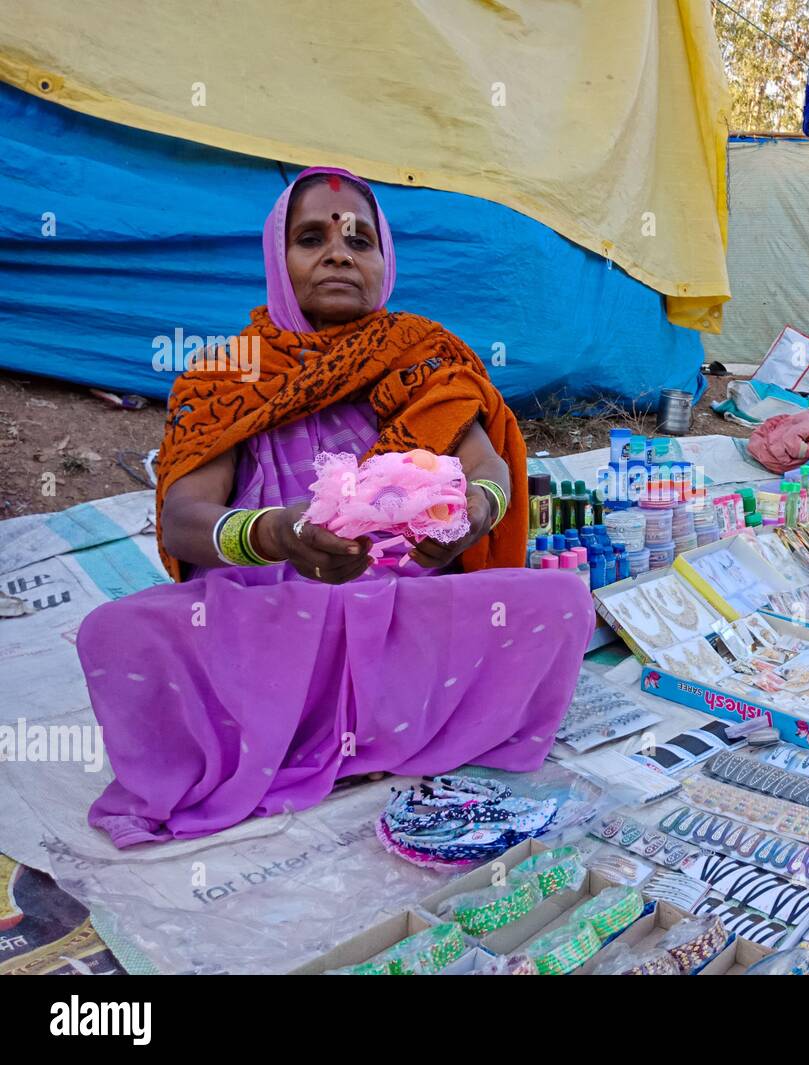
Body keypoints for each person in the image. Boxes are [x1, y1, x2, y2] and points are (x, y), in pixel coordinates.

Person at [75, 167, 596, 848]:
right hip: (266, 621)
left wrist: (472, 511)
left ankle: (332, 730)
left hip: (404, 615)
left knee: (561, 602)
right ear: (277, 260)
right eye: (311, 237)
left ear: (385, 262)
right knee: (116, 633)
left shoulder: (422, 359)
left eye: (360, 239)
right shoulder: (230, 374)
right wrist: (279, 534)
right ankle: (380, 728)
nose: (339, 253)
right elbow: (181, 518)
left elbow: (488, 468)